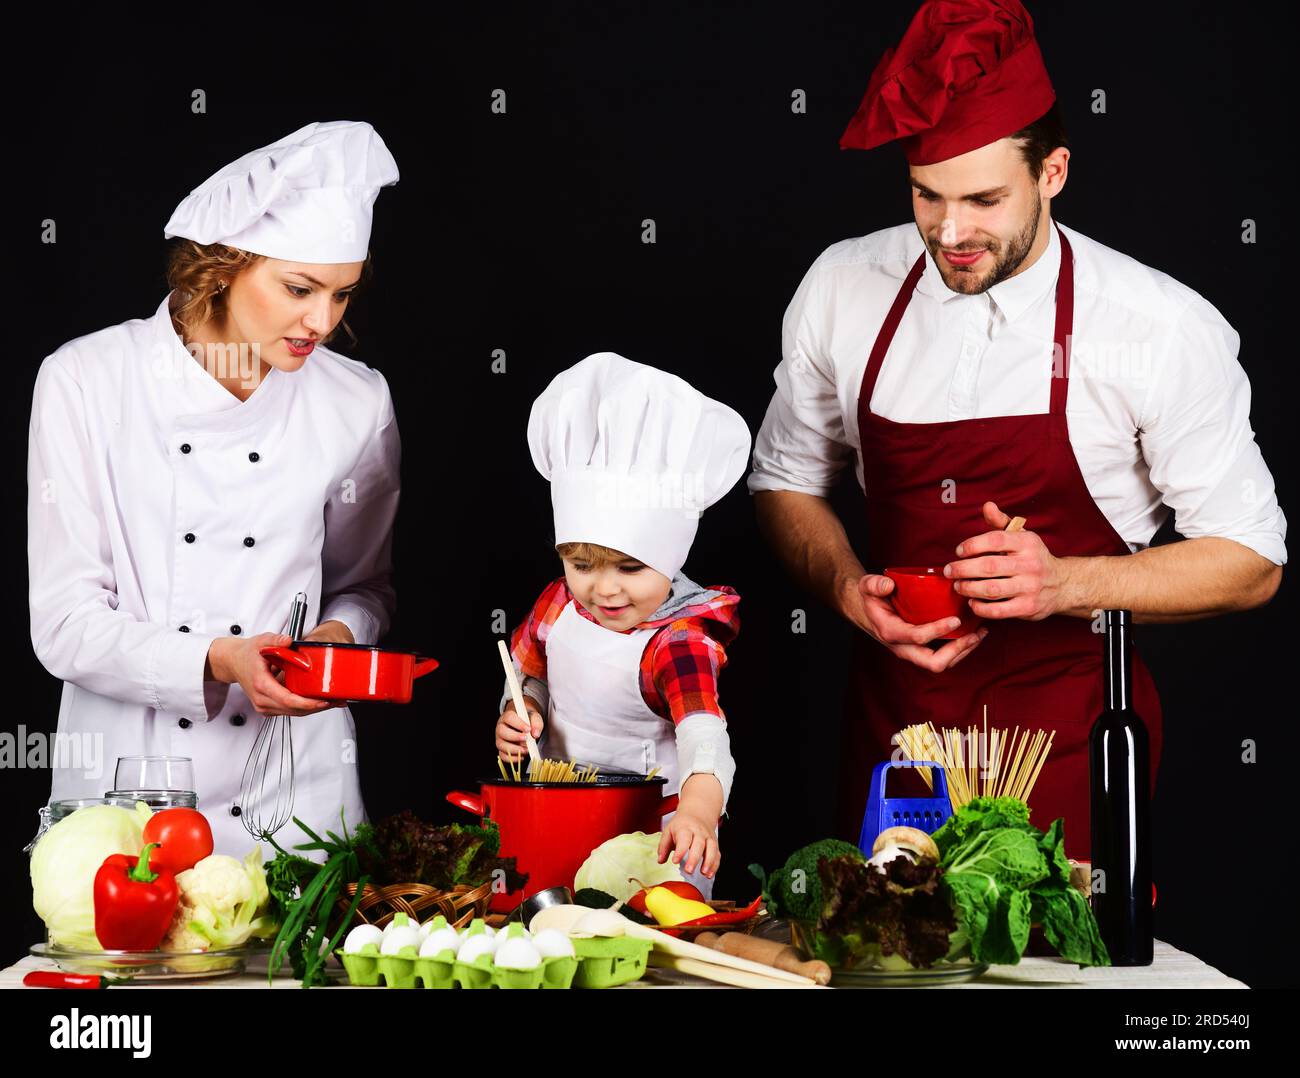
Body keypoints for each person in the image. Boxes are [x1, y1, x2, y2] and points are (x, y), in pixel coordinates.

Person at [747, 1, 1285, 857]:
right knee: (890, 965)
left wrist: (1066, 584)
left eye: (984, 199)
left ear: (1054, 173)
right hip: (903, 747)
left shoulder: (1155, 325)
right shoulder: (845, 286)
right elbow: (783, 480)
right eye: (928, 195)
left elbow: (1252, 560)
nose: (951, 232)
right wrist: (845, 587)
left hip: (1068, 743)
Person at [28, 121, 403, 857]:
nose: (322, 322)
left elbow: (368, 591)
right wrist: (222, 661)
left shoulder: (358, 402)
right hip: (129, 793)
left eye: (343, 294)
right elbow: (64, 622)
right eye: (299, 288)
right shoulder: (87, 380)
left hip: (299, 799)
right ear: (223, 265)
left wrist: (334, 644)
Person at [494, 352, 750, 897]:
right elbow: (526, 673)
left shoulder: (678, 642)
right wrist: (523, 712)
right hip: (559, 824)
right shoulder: (559, 604)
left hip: (654, 839)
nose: (604, 589)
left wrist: (700, 816)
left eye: (631, 568)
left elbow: (705, 738)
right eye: (581, 565)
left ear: (670, 556)